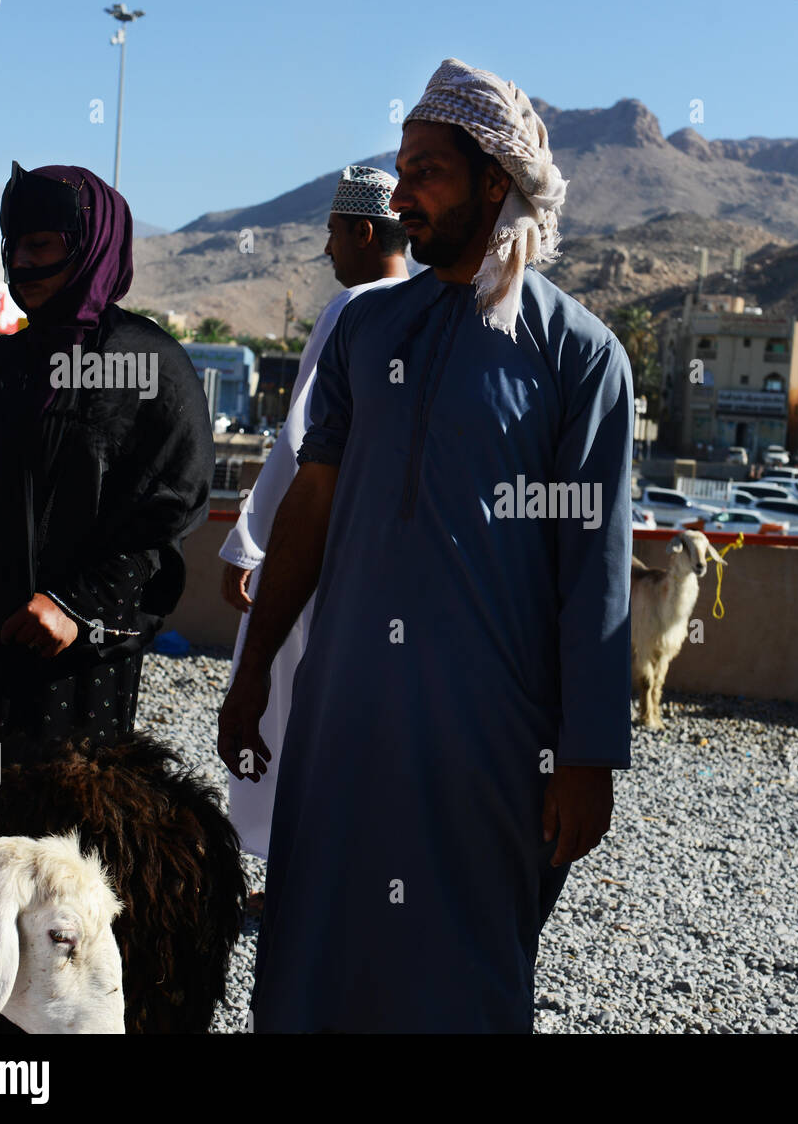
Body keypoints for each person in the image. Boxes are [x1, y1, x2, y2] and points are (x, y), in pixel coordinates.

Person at [218, 58, 634, 1033]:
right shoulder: (367, 326)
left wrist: (587, 757)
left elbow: (594, 572)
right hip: (341, 714)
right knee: (314, 954)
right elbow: (310, 509)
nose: (401, 192)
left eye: (427, 170)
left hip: (484, 738)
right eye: (399, 170)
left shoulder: (576, 356)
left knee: (463, 972)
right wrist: (251, 674)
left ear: (495, 179)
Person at [0, 162, 214, 749]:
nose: (20, 263)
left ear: (91, 245)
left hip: (69, 673)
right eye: (12, 245)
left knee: (51, 834)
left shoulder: (147, 369)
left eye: (40, 244)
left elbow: (166, 514)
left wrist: (76, 603)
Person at [218, 165, 410, 861]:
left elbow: (304, 445)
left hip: (318, 552)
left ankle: (295, 861)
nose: (328, 252)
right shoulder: (432, 305)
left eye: (332, 235)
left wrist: (248, 542)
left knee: (286, 703)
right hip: (384, 562)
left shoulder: (354, 309)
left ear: (362, 231)